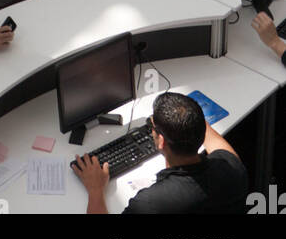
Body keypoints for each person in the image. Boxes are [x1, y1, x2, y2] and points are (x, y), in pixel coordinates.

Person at [72, 90, 248, 214]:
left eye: (151, 127)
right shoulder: (232, 167)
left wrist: (95, 189)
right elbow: (214, 139)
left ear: (161, 141)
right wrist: (184, 115)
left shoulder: (150, 204)